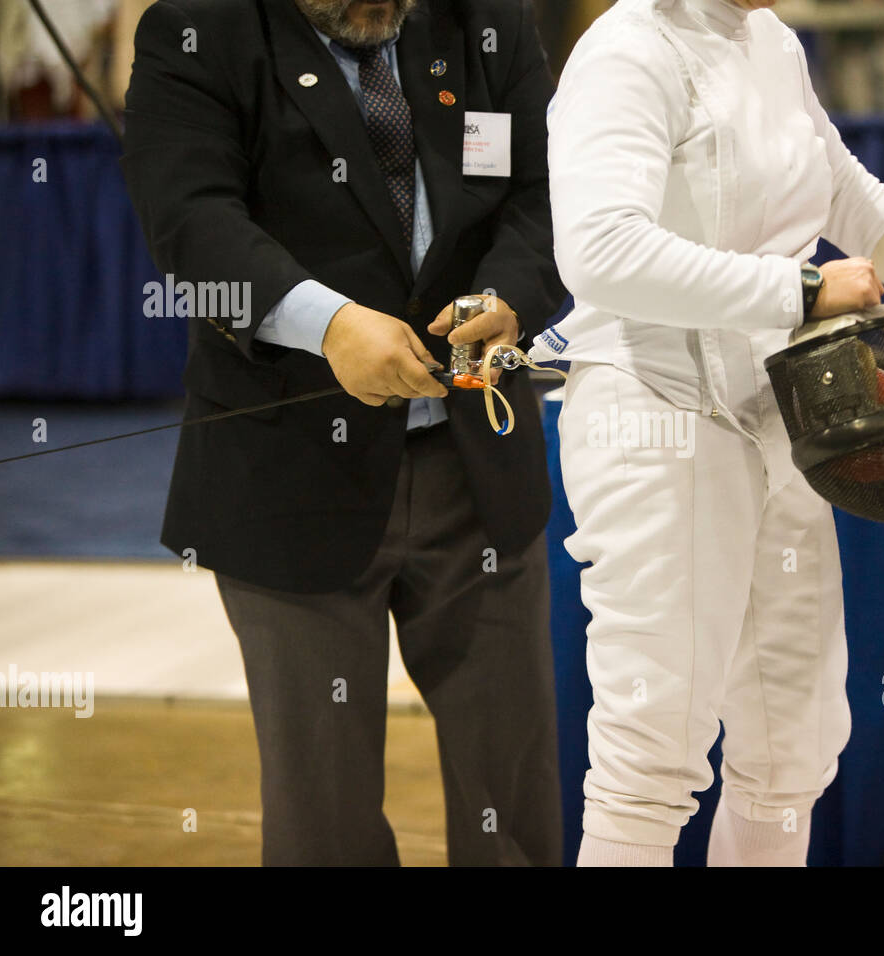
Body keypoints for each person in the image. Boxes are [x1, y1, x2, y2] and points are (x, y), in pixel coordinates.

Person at [532, 0, 884, 866]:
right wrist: (798, 290)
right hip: (656, 415)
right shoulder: (626, 50)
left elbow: (841, 185)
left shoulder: (771, 43)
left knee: (795, 740)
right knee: (654, 749)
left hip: (775, 411)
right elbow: (600, 251)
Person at [121, 0, 566, 865]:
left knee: (513, 814)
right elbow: (191, 221)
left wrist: (509, 294)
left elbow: (546, 193)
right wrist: (325, 325)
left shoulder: (486, 19)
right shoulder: (196, 29)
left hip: (476, 476)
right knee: (324, 824)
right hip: (287, 484)